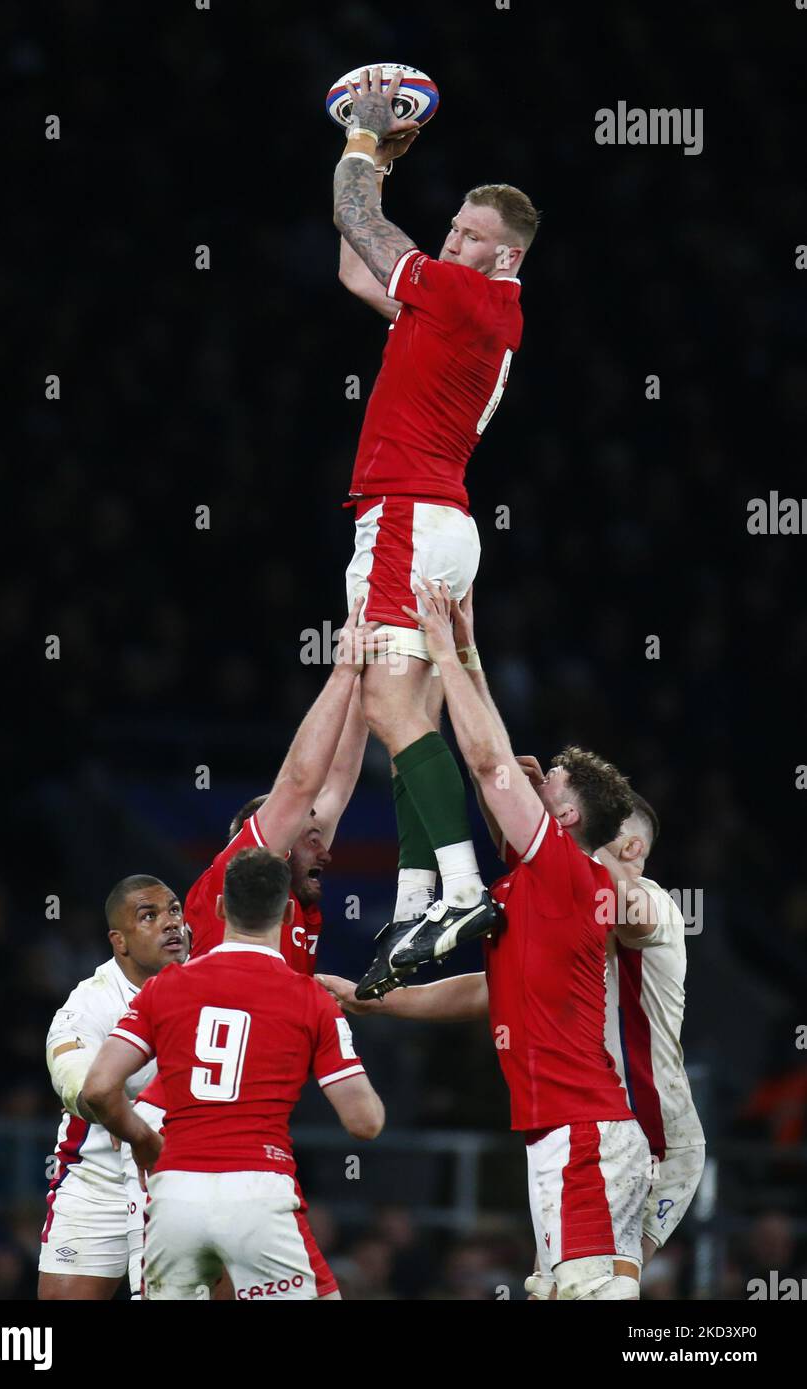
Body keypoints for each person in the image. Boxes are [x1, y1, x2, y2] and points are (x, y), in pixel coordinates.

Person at [322, 578, 650, 1300]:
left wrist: (445, 646)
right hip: (583, 1135)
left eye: (549, 786)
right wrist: (383, 1004)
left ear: (563, 823)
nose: (533, 778)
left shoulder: (567, 875)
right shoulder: (531, 891)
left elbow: (491, 764)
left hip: (580, 1138)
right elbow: (485, 989)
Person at [332, 68, 541, 992]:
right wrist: (371, 170)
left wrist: (363, 142)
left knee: (384, 705)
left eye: (474, 237)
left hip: (410, 516)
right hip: (430, 519)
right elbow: (356, 255)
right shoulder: (451, 307)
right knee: (402, 715)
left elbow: (368, 227)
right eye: (453, 226)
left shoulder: (473, 302)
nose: (454, 240)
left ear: (509, 260)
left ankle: (458, 889)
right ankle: (417, 900)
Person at [131, 598, 379, 1298]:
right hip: (189, 1131)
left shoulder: (293, 898)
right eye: (306, 833)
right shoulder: (228, 881)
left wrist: (367, 687)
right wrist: (345, 664)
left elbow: (334, 783)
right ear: (258, 845)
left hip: (231, 1134)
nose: (322, 841)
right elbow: (302, 784)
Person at [83, 848, 384, 1301]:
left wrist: (144, 1141)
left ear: (222, 907)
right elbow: (366, 1123)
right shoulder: (310, 999)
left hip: (175, 1194)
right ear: (286, 913)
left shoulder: (166, 985)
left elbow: (98, 1088)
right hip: (258, 1191)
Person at [38, 876, 189, 1300]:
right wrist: (143, 1137)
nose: (171, 923)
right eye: (150, 916)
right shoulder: (88, 1006)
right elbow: (84, 1089)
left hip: (183, 1178)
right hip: (97, 1181)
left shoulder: (209, 977)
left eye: (175, 910)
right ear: (119, 941)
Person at [597, 794, 706, 1270]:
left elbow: (632, 918)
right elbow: (496, 988)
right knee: (562, 1282)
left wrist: (586, 849)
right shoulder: (579, 906)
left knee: (603, 1280)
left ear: (630, 847)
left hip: (653, 1127)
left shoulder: (652, 900)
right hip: (600, 1120)